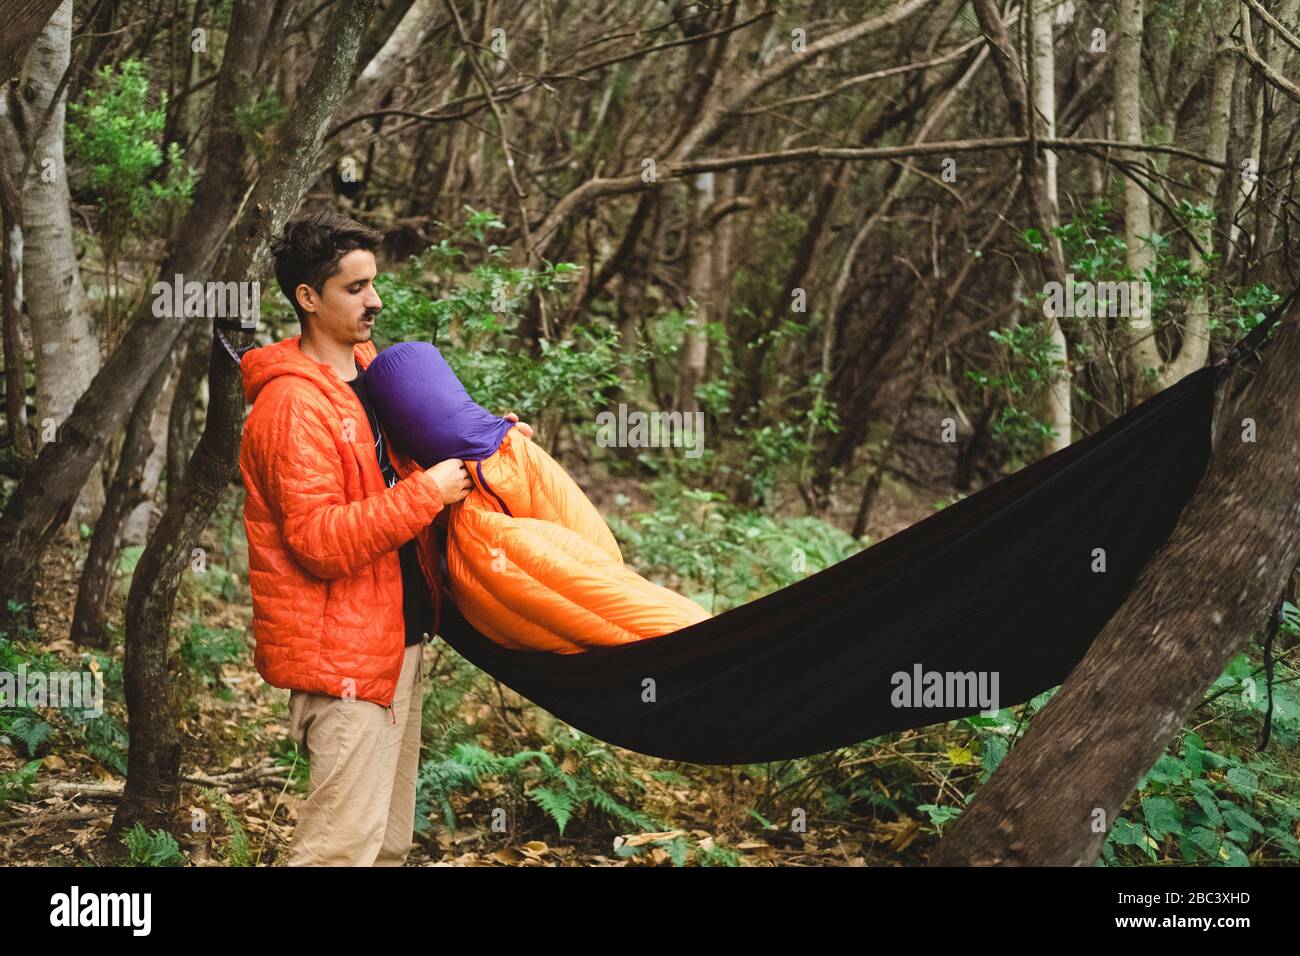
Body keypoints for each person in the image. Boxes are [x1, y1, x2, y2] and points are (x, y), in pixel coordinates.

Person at [238, 211, 531, 865]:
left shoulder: (372, 376)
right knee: (338, 854)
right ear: (307, 299)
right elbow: (317, 540)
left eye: (374, 283)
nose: (375, 300)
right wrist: (428, 493)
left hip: (398, 643)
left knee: (388, 846)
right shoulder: (291, 408)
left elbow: (415, 462)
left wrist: (491, 445)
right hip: (344, 663)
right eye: (355, 288)